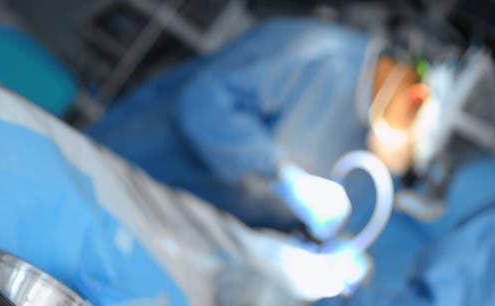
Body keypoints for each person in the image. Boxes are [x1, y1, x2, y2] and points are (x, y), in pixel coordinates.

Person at [90, 17, 430, 236]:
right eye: (415, 142)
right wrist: (280, 175)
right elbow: (205, 103)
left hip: (179, 229)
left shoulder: (373, 149)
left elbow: (315, 227)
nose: (405, 155)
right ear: (417, 97)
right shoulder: (319, 55)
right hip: (130, 164)